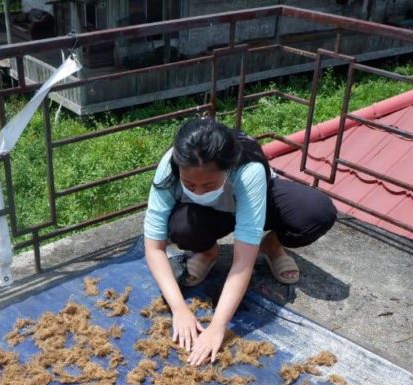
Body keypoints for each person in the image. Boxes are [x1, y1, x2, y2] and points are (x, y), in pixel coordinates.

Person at [143, 117, 337, 366]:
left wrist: (217, 326)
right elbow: (154, 247)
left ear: (227, 169)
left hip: (252, 204)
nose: (199, 191)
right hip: (209, 215)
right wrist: (179, 310)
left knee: (315, 212)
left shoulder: (248, 170)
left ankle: (272, 244)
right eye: (190, 184)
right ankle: (207, 251)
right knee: (181, 227)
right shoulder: (170, 165)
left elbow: (242, 262)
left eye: (209, 184)